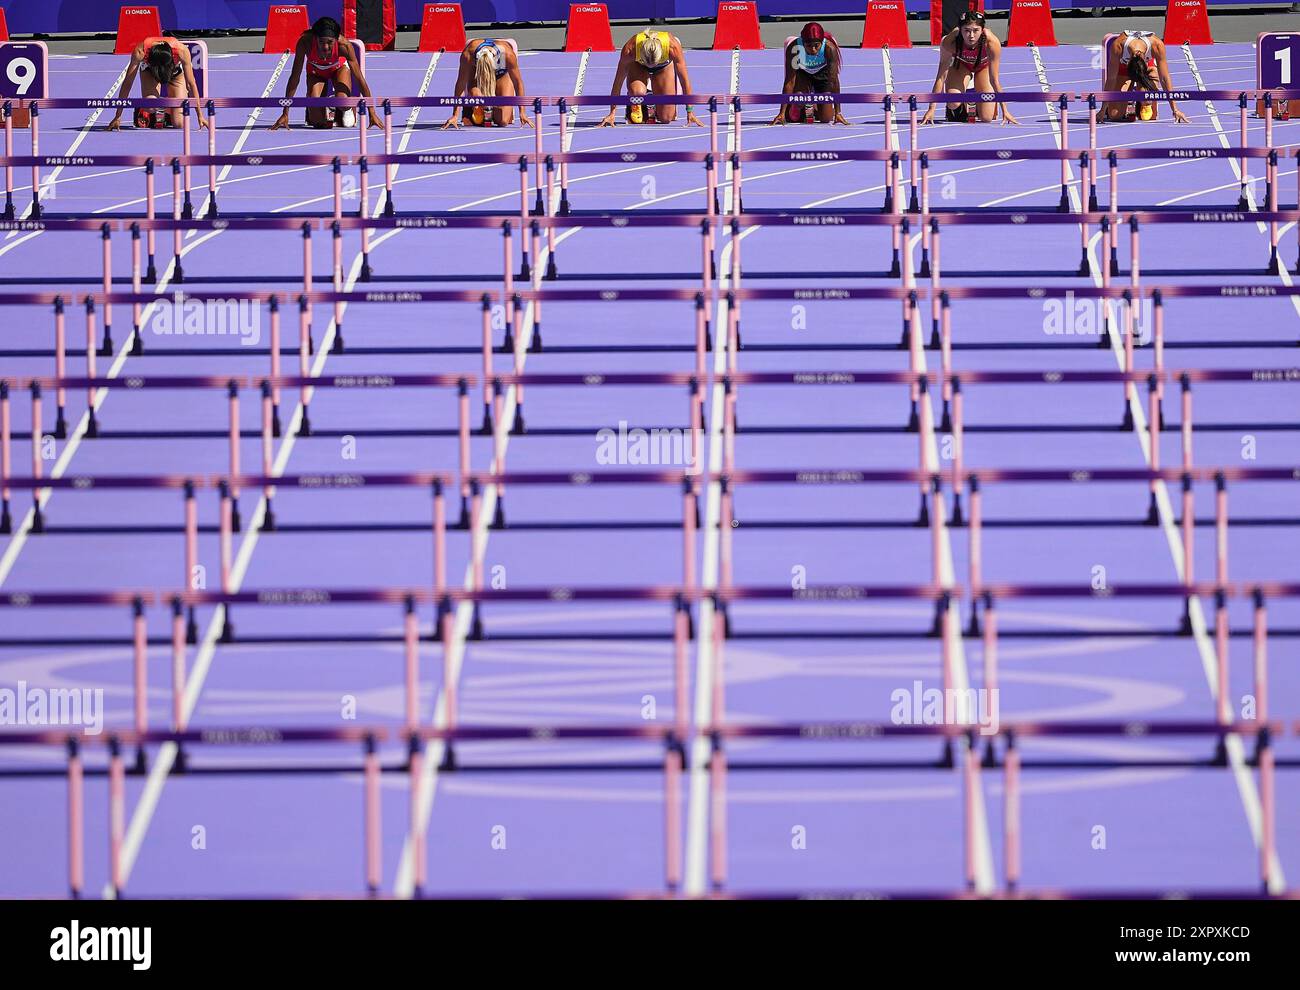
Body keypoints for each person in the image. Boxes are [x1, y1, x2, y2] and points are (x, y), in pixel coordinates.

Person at [269, 17, 382, 131]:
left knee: (343, 103)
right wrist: (285, 113)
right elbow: (295, 77)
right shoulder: (305, 42)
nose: (325, 47)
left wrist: (372, 112)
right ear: (315, 38)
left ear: (336, 39)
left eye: (330, 42)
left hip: (338, 69)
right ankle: (313, 108)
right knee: (318, 123)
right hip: (315, 72)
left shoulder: (345, 46)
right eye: (321, 42)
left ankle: (346, 107)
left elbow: (359, 79)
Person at [920, 11, 1018, 126]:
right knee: (953, 102)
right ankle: (960, 106)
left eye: (976, 30)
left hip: (983, 67)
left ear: (982, 30)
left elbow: (994, 80)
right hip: (961, 65)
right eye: (966, 30)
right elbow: (941, 77)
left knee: (986, 118)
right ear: (960, 29)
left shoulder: (992, 42)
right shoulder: (949, 43)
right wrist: (931, 109)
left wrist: (1005, 111)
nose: (971, 36)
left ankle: (978, 101)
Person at [599, 30, 702, 127]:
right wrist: (612, 113)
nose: (650, 67)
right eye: (648, 63)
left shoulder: (673, 47)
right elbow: (618, 83)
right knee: (637, 92)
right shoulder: (630, 49)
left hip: (663, 67)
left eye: (653, 63)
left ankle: (654, 99)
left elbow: (685, 81)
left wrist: (690, 112)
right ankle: (637, 96)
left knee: (666, 118)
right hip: (638, 66)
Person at [106, 36, 208, 131]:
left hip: (175, 74)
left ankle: (168, 111)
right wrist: (118, 116)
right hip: (150, 73)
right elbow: (128, 83)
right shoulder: (140, 51)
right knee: (151, 106)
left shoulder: (182, 51)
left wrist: (200, 115)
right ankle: (143, 108)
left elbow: (191, 84)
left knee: (180, 124)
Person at [1100, 31, 1188, 123]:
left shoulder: (1157, 45)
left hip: (1147, 69)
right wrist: (1103, 109)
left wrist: (1175, 110)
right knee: (1115, 115)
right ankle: (1131, 101)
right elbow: (1111, 79)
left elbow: (1164, 78)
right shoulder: (1118, 45)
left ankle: (1144, 103)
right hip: (1124, 68)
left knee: (1149, 115)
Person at [442, 38, 533, 128]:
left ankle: (487, 107)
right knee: (476, 94)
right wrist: (455, 115)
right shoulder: (468, 53)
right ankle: (482, 106)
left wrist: (522, 112)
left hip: (501, 75)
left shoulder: (508, 55)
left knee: (503, 121)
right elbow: (461, 83)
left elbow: (518, 83)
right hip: (476, 76)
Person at [772, 22, 848, 125]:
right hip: (803, 74)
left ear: (822, 42)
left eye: (816, 46)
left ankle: (812, 104)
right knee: (797, 103)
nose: (813, 49)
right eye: (808, 46)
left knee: (826, 118)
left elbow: (834, 81)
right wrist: (782, 113)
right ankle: (799, 104)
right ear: (803, 42)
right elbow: (789, 81)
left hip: (822, 75)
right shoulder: (795, 49)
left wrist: (838, 112)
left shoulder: (829, 49)